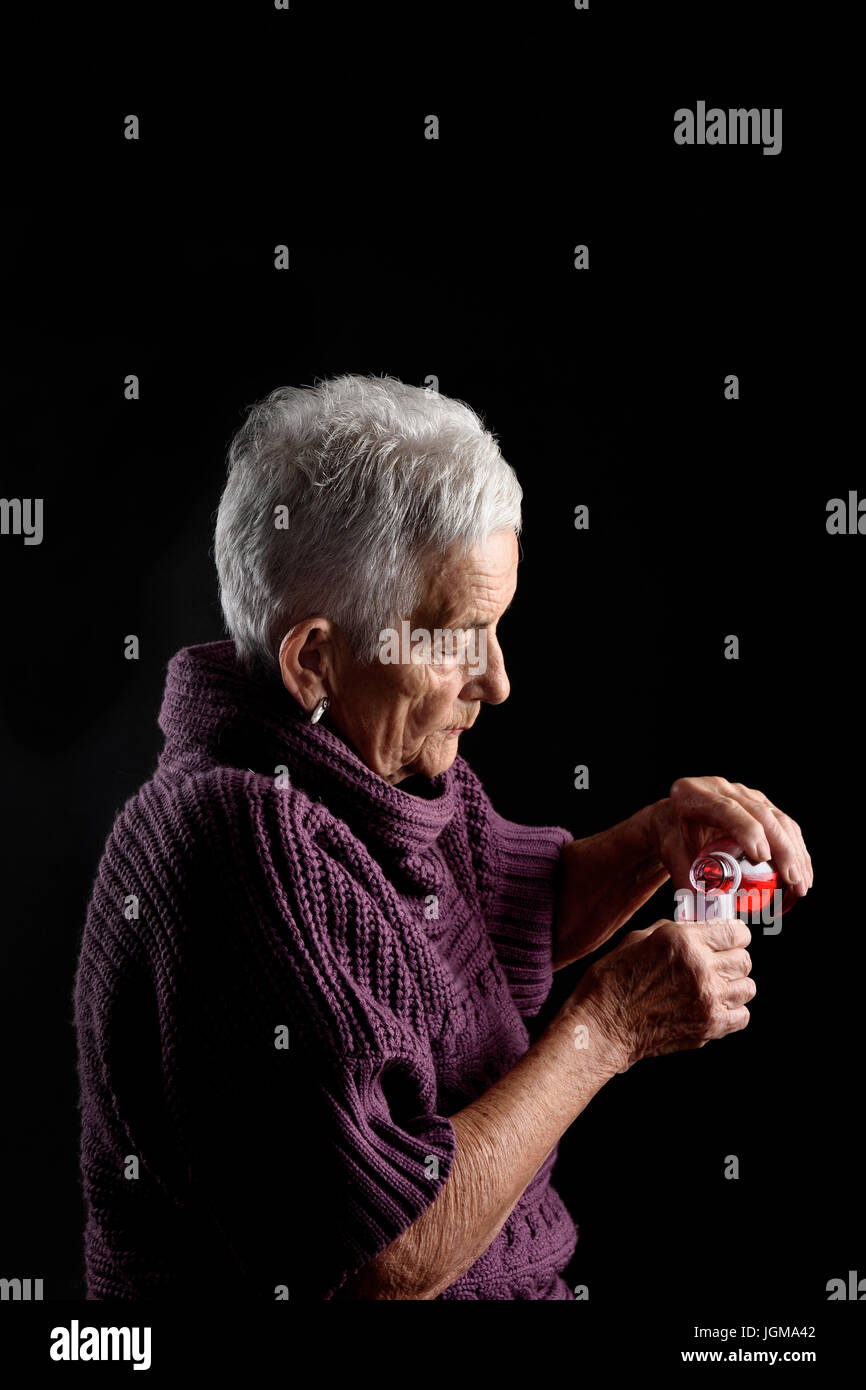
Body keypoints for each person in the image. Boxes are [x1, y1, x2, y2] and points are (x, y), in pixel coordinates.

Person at [74, 374, 812, 1300]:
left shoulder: (374, 760)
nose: (497, 682)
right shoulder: (239, 836)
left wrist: (654, 839)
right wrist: (608, 1028)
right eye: (459, 634)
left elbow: (505, 926)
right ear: (314, 658)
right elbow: (389, 1255)